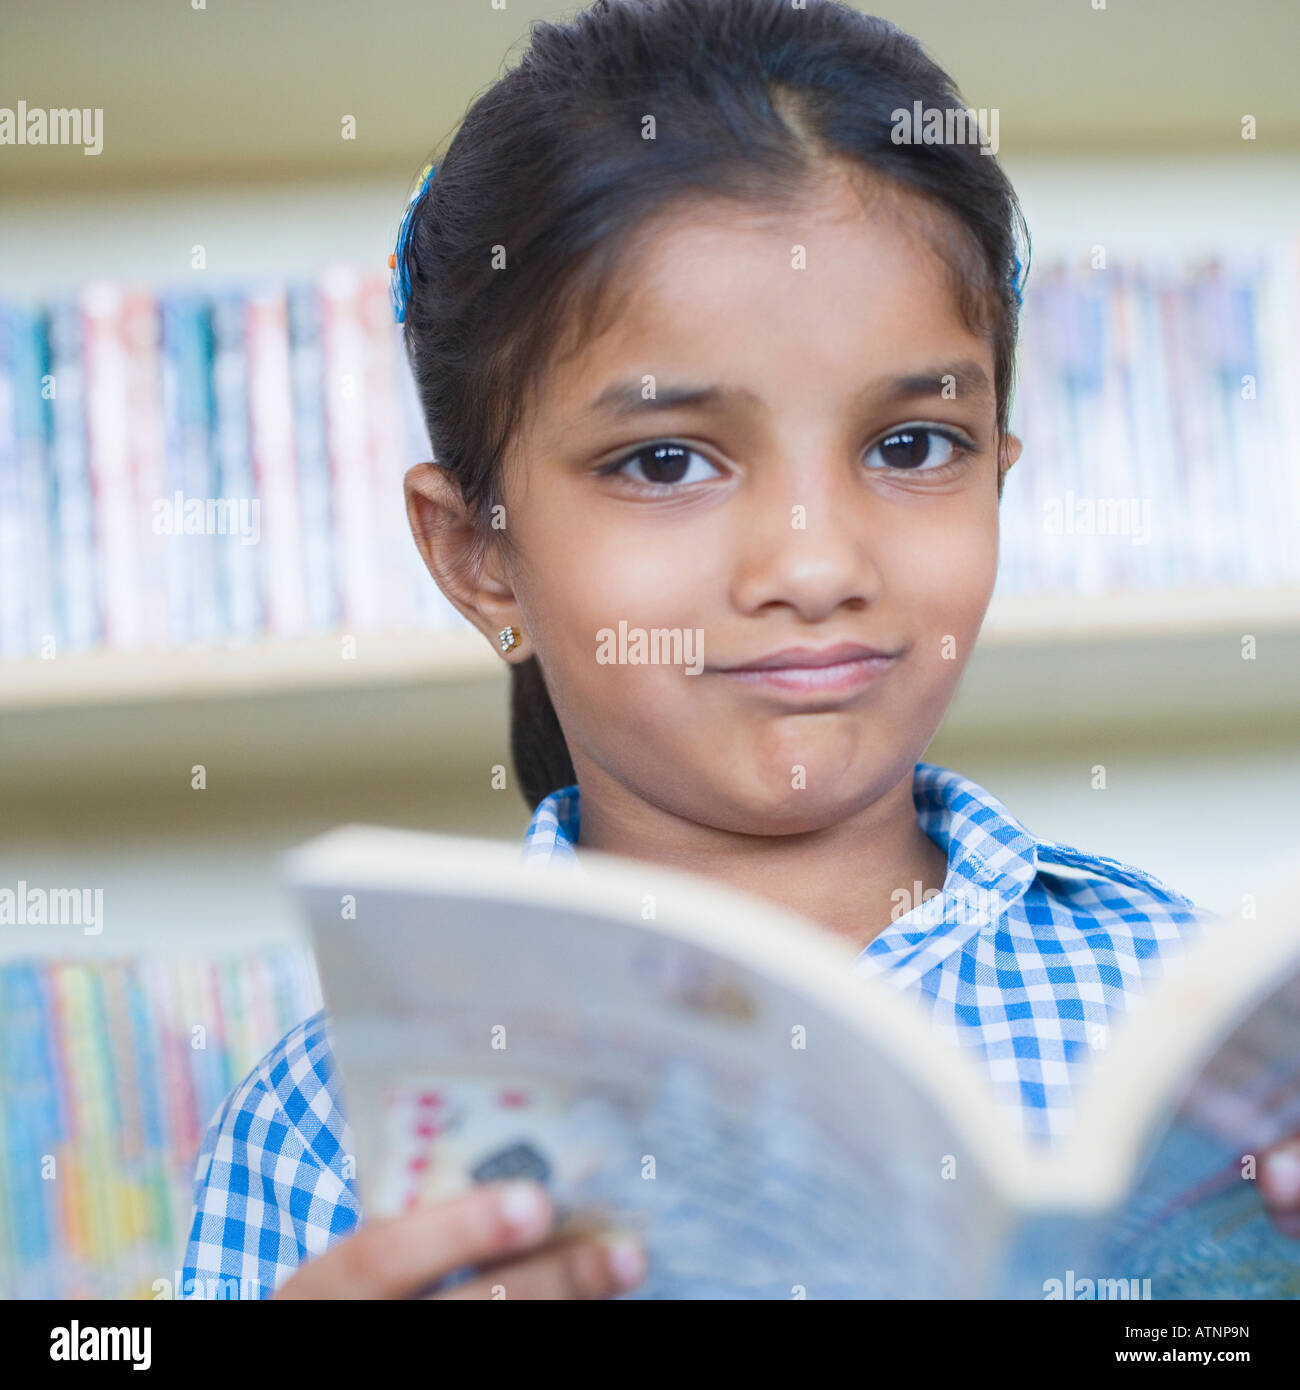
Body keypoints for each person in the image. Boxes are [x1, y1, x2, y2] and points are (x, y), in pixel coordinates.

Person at [182, 0, 1297, 1299]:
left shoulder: (1216, 1070)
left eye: (913, 444)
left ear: (1003, 471)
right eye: (665, 461)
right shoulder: (326, 1128)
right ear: (477, 552)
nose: (817, 564)